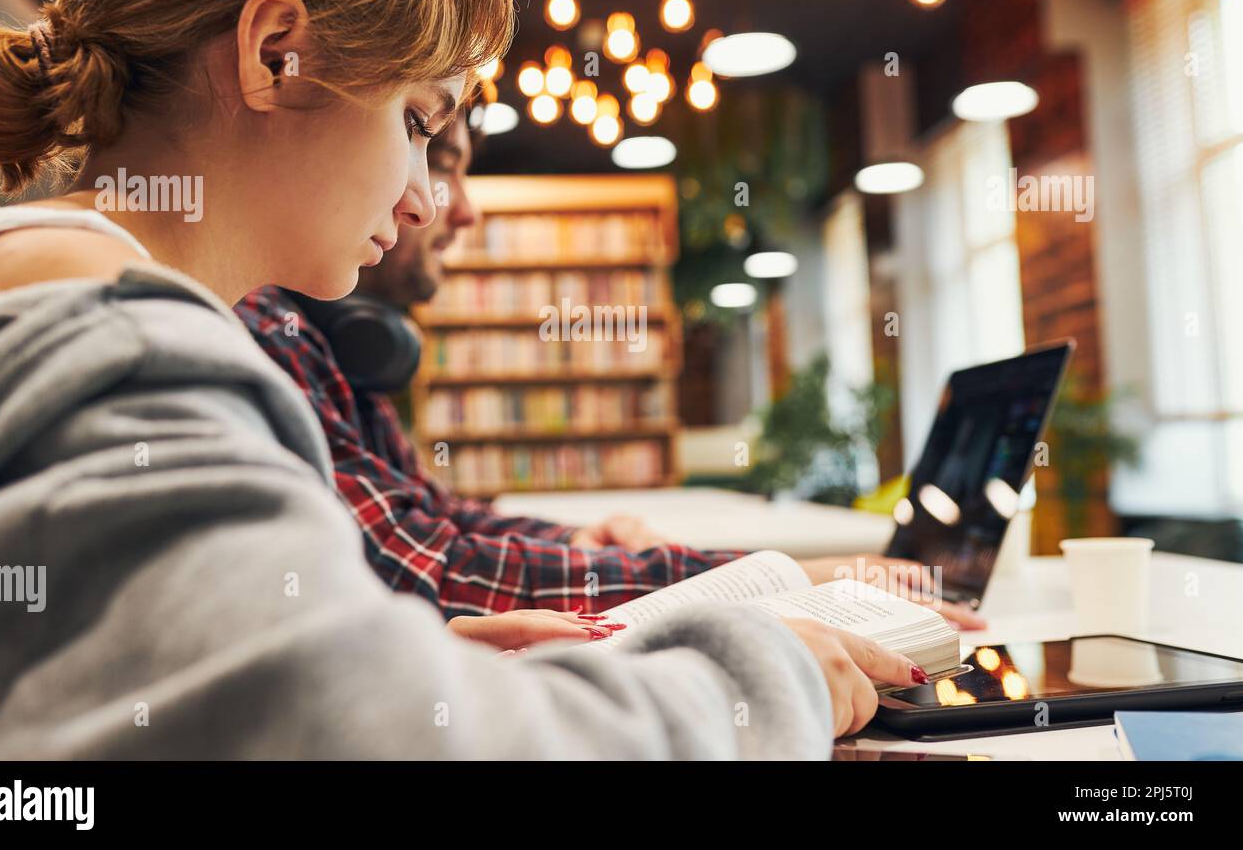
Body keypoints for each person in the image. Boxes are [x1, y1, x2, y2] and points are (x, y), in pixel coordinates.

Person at [0, 0, 921, 759]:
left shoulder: (31, 291)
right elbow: (357, 735)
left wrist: (413, 656)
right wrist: (755, 679)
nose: (422, 197)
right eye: (417, 120)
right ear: (275, 51)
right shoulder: (120, 344)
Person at [237, 109, 986, 648]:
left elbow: (434, 522)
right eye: (431, 149)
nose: (449, 206)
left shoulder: (322, 345)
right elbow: (431, 569)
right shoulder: (263, 331)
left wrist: (584, 544)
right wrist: (773, 580)